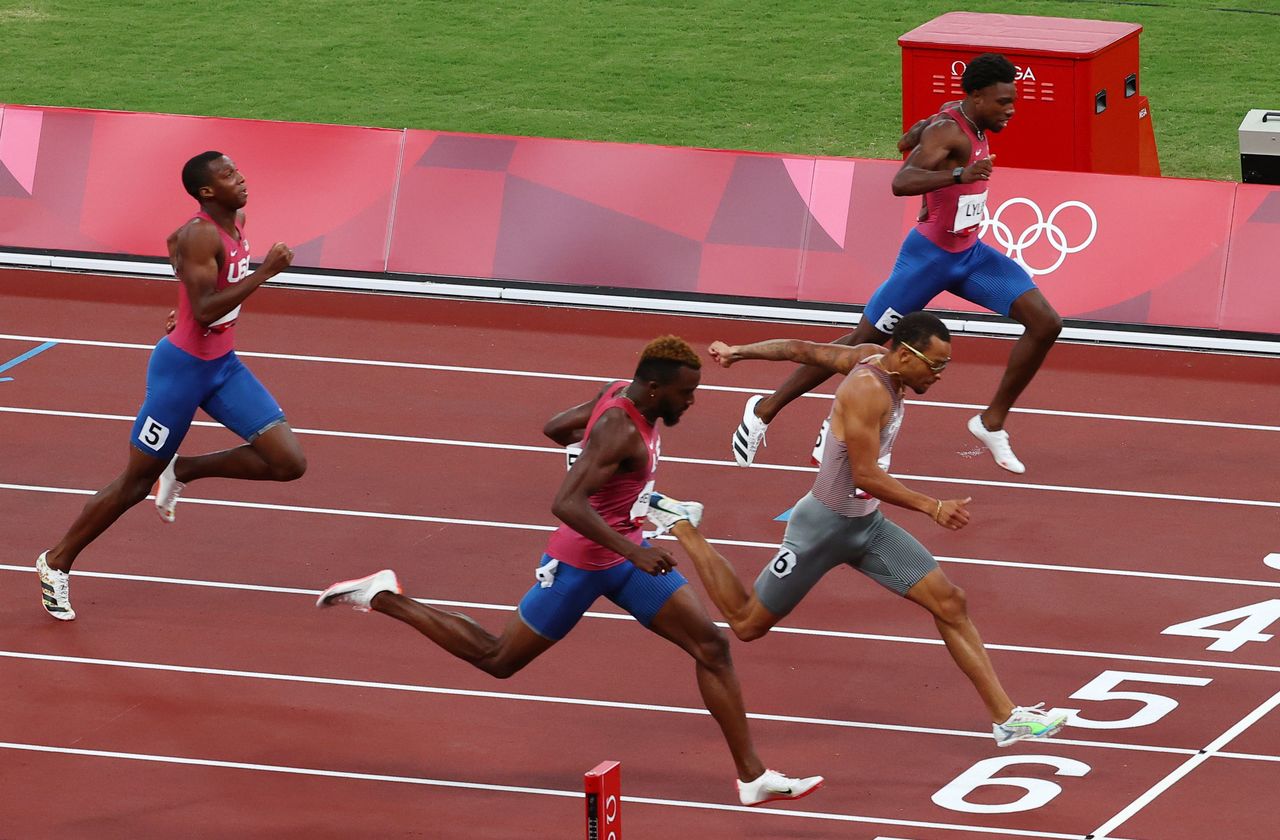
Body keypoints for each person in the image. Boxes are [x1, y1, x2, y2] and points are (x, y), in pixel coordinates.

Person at [317, 336, 823, 807]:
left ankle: (752, 777)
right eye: (685, 393)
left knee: (712, 647)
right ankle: (382, 596)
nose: (691, 401)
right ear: (653, 388)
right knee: (498, 659)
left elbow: (556, 428)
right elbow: (566, 502)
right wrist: (632, 545)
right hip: (581, 563)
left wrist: (617, 501)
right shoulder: (620, 429)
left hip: (624, 554)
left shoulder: (617, 395)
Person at [659, 313, 1065, 747]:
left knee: (951, 602)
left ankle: (1006, 719)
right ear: (905, 355)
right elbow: (865, 475)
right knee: (746, 624)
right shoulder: (866, 389)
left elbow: (801, 350)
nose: (940, 376)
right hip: (823, 528)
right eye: (935, 365)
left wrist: (741, 352)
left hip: (866, 527)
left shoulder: (871, 357)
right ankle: (682, 523)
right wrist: (933, 507)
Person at [731, 53, 1061, 475]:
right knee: (856, 346)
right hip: (929, 259)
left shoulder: (960, 121)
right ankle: (763, 410)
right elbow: (901, 180)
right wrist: (959, 175)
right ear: (977, 97)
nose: (1011, 110)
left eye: (1013, 100)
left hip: (970, 255)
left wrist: (919, 140)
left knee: (1046, 322)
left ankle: (990, 422)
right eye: (1002, 102)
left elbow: (907, 142)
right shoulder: (950, 130)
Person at [36, 151, 305, 620]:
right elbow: (204, 310)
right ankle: (55, 562)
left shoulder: (233, 220)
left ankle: (184, 470)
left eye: (238, 171)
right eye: (227, 177)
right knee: (134, 482)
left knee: (288, 462)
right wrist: (264, 274)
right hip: (181, 372)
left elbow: (172, 246)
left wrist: (183, 295)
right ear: (206, 192)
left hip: (222, 366)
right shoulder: (202, 233)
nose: (240, 180)